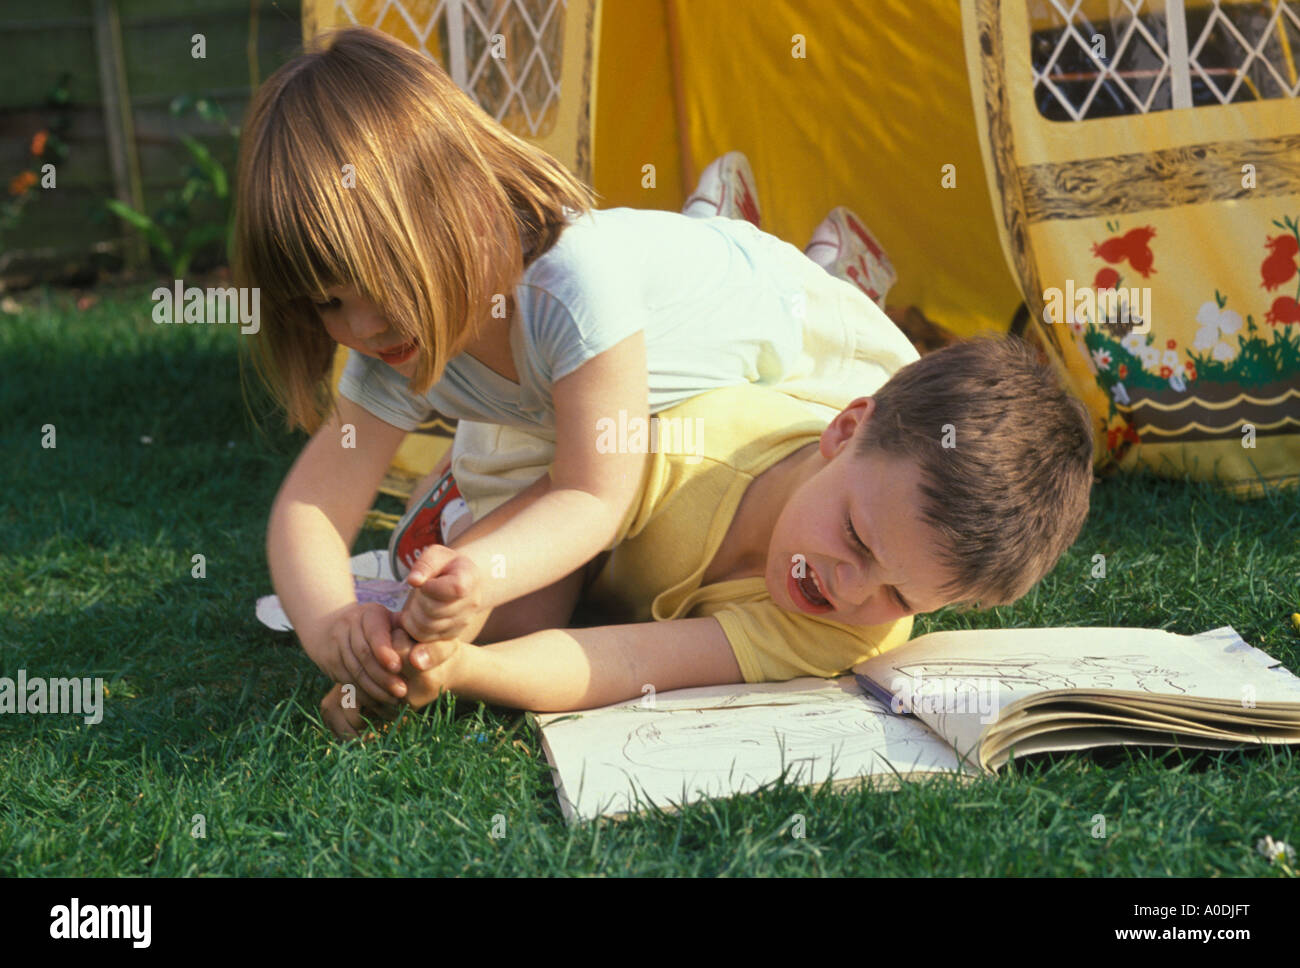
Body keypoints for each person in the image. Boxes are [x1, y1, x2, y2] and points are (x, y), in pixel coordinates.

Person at [240, 26, 918, 712]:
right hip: (584, 405)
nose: (361, 328)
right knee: (516, 617)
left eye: (382, 287)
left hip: (773, 334)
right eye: (327, 302)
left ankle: (824, 261)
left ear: (463, 209)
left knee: (877, 438)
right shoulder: (396, 338)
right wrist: (331, 628)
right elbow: (312, 506)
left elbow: (592, 497)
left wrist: (479, 565)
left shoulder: (573, 287)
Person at [320, 336, 1096, 738]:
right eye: (855, 537)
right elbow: (551, 502)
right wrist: (433, 620)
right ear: (844, 430)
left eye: (899, 591)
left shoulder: (857, 629)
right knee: (498, 587)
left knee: (502, 628)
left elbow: (629, 659)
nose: (851, 587)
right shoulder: (685, 445)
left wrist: (459, 669)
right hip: (587, 455)